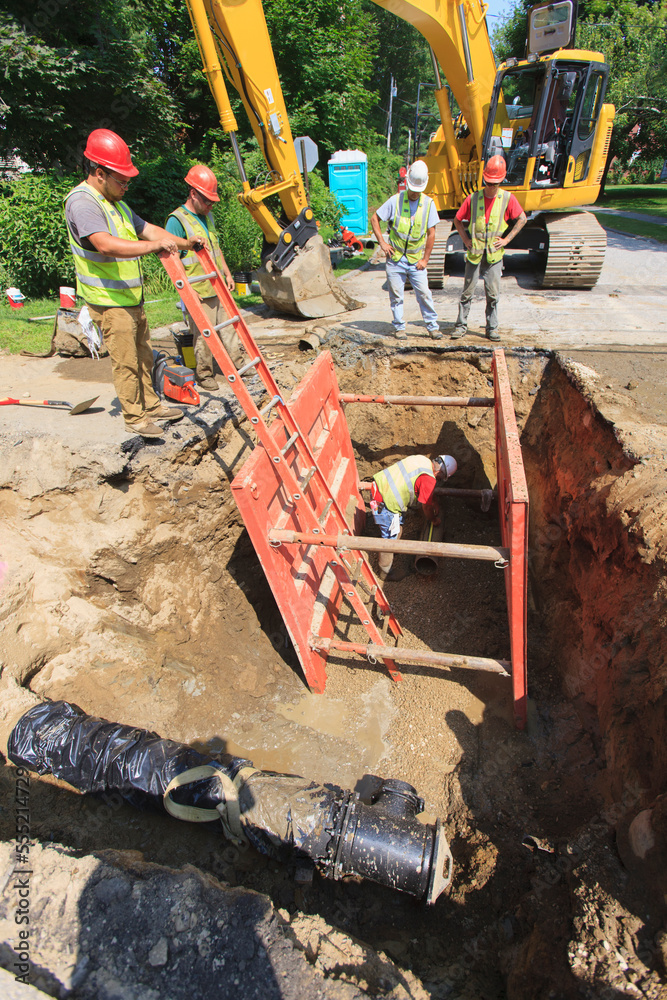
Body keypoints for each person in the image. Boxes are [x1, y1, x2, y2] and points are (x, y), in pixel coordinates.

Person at [64, 129, 203, 439]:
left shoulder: (117, 204)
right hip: (109, 301)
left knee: (143, 355)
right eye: (121, 181)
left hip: (130, 299)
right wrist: (154, 248)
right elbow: (105, 245)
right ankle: (135, 418)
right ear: (99, 173)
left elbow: (149, 230)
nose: (126, 187)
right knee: (126, 362)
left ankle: (151, 407)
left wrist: (184, 243)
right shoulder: (84, 203)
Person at [166, 166, 242, 389]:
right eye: (207, 201)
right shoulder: (177, 221)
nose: (210, 206)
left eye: (212, 202)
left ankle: (239, 364)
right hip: (198, 289)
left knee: (230, 328)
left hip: (217, 286)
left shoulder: (208, 217)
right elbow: (174, 261)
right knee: (204, 336)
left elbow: (217, 249)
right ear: (193, 194)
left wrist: (227, 272)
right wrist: (187, 292)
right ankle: (204, 373)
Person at [451, 155, 527, 342]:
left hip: (494, 254)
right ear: (484, 179)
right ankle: (461, 326)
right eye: (489, 183)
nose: (491, 186)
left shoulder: (507, 199)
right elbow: (457, 220)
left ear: (501, 180)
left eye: (495, 183)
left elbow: (522, 219)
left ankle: (491, 328)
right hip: (475, 253)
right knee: (467, 292)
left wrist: (507, 239)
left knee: (493, 294)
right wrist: (466, 239)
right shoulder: (473, 199)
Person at [371, 160, 441, 341]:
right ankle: (399, 327)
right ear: (407, 182)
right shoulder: (395, 201)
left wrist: (425, 260)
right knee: (396, 295)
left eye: (417, 190)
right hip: (395, 259)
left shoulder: (428, 204)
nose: (414, 193)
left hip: (416, 260)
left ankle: (432, 326)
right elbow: (375, 219)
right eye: (411, 189)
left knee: (425, 294)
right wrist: (382, 244)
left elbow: (431, 233)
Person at [370, 454, 457, 581]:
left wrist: (435, 502)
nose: (438, 479)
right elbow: (426, 508)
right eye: (441, 477)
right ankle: (385, 573)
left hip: (380, 485)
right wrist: (433, 519)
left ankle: (393, 550)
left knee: (397, 529)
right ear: (440, 472)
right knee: (388, 540)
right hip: (386, 502)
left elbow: (419, 486)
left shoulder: (422, 460)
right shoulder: (429, 479)